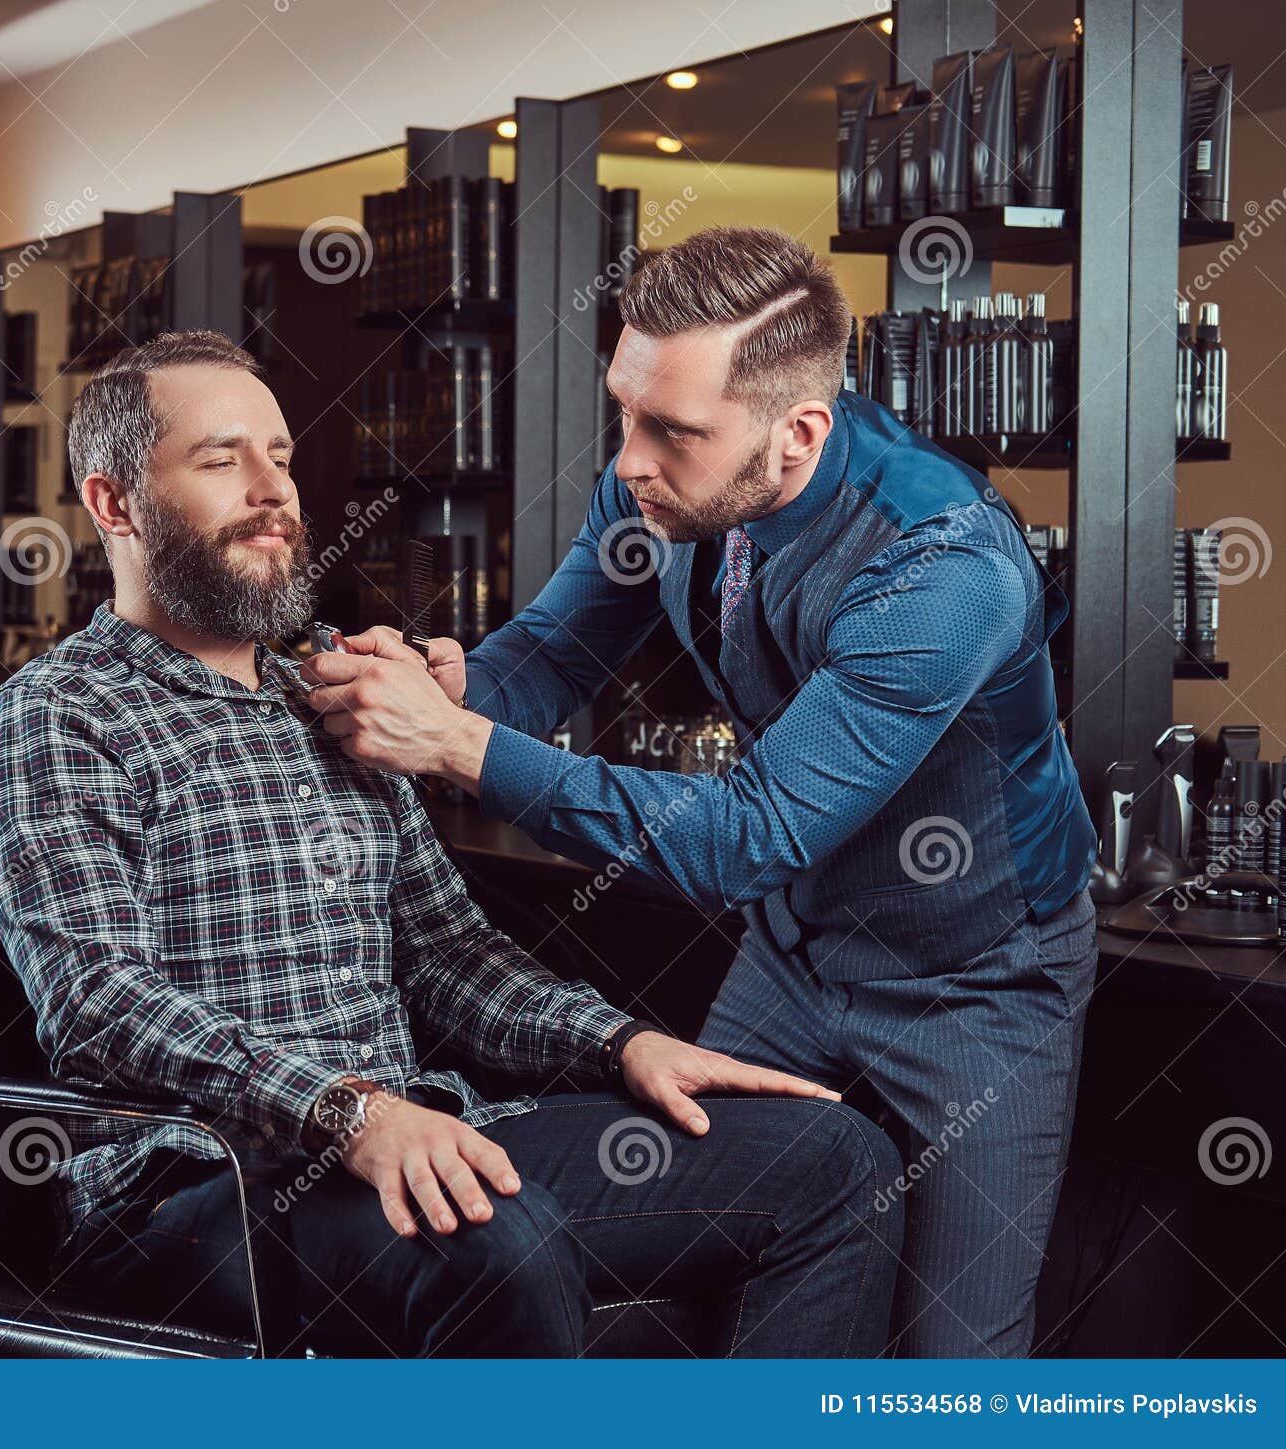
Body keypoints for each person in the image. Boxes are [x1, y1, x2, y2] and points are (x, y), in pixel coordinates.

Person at [0, 328, 903, 1358]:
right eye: (221, 460)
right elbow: (99, 1004)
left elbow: (448, 957)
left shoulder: (336, 698)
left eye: (278, 457)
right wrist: (346, 1115)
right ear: (114, 505)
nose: (272, 489)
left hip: (413, 1134)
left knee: (832, 1161)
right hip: (192, 1190)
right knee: (492, 1240)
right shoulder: (58, 713)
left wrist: (621, 1044)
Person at [301, 227, 1099, 1358]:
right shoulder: (663, 482)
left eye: (669, 429)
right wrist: (454, 684)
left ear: (798, 433)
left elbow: (743, 838)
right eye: (624, 410)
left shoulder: (942, 568)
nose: (629, 459)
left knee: (951, 1359)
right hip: (796, 951)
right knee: (708, 1286)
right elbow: (556, 652)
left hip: (973, 975)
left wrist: (460, 747)